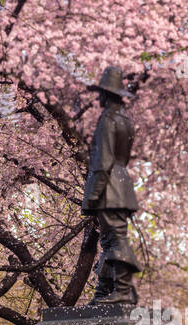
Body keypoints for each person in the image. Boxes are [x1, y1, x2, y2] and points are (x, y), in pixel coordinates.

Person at [81, 66, 140, 305]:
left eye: (101, 93)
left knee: (116, 239)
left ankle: (124, 290)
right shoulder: (125, 120)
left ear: (107, 94)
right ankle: (104, 291)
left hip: (110, 188)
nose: (99, 98)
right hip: (122, 184)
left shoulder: (108, 120)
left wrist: (93, 195)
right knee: (108, 241)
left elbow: (103, 160)